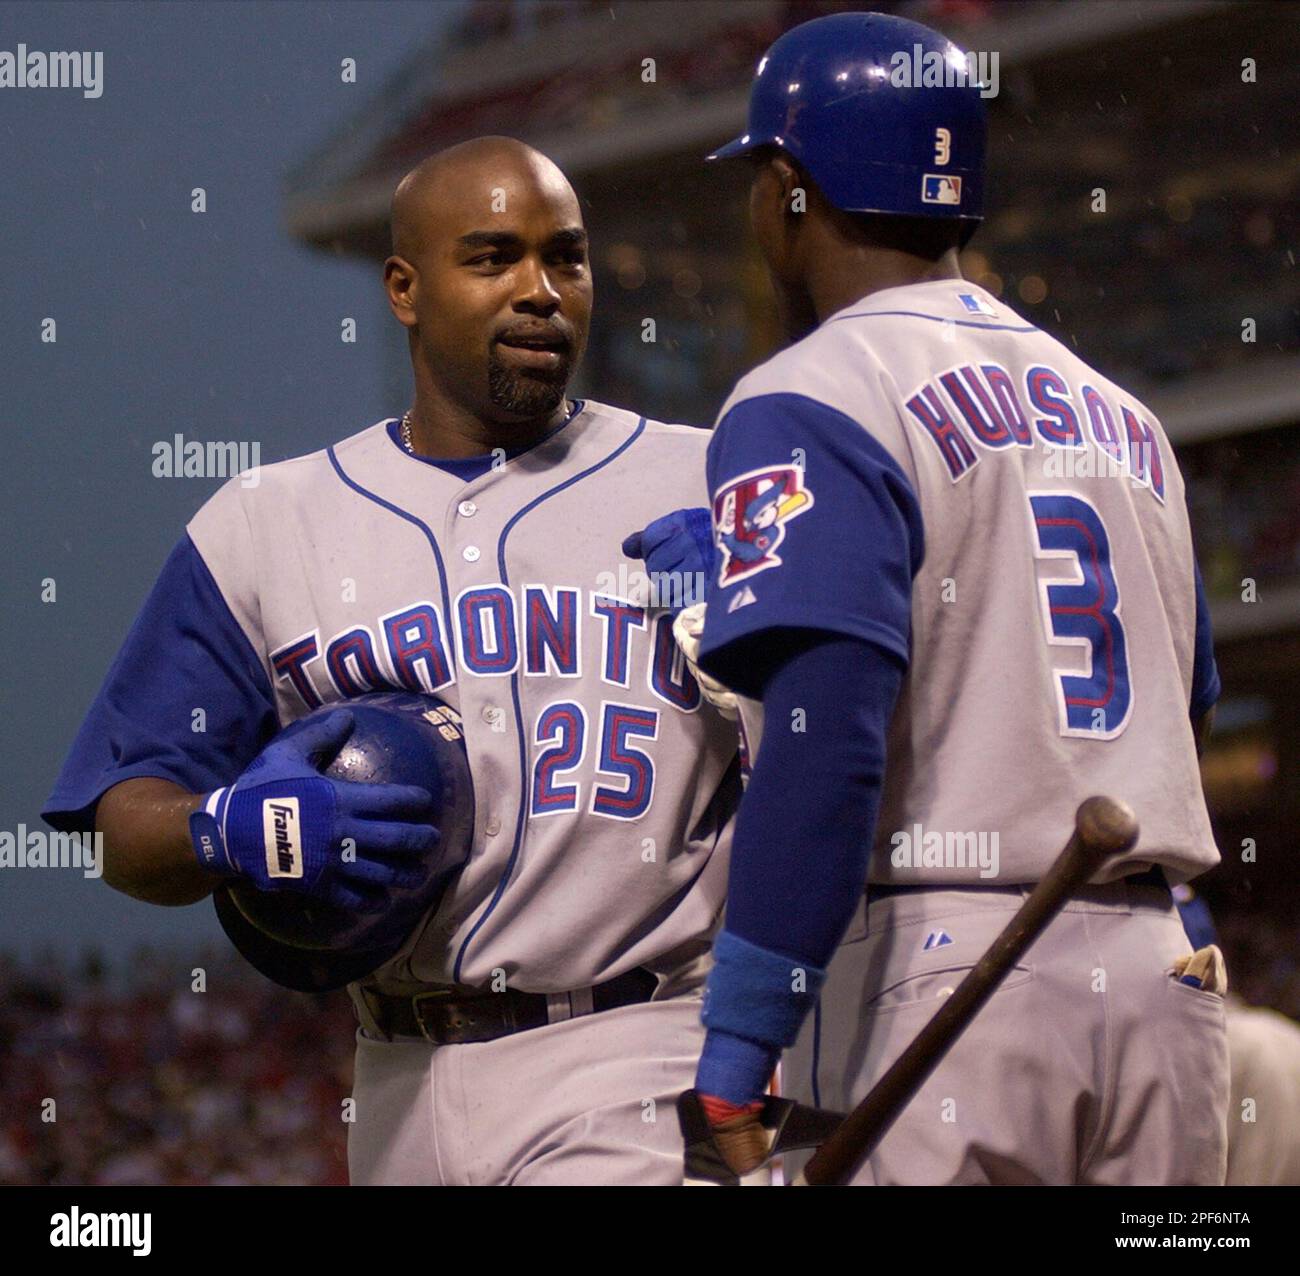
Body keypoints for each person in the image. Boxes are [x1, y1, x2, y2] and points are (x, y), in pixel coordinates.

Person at [43, 136, 743, 1186]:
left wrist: (762, 647)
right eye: (493, 256)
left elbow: (857, 757)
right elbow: (122, 819)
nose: (540, 290)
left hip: (638, 1050)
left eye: (567, 257)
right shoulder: (265, 525)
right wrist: (221, 826)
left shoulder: (706, 479)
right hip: (396, 1077)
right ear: (404, 290)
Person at [631, 11, 1229, 1185]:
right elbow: (1184, 706)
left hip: (952, 980)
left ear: (794, 191)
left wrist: (741, 1036)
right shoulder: (1127, 415)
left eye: (762, 175)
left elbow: (827, 733)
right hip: (1164, 982)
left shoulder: (811, 390)